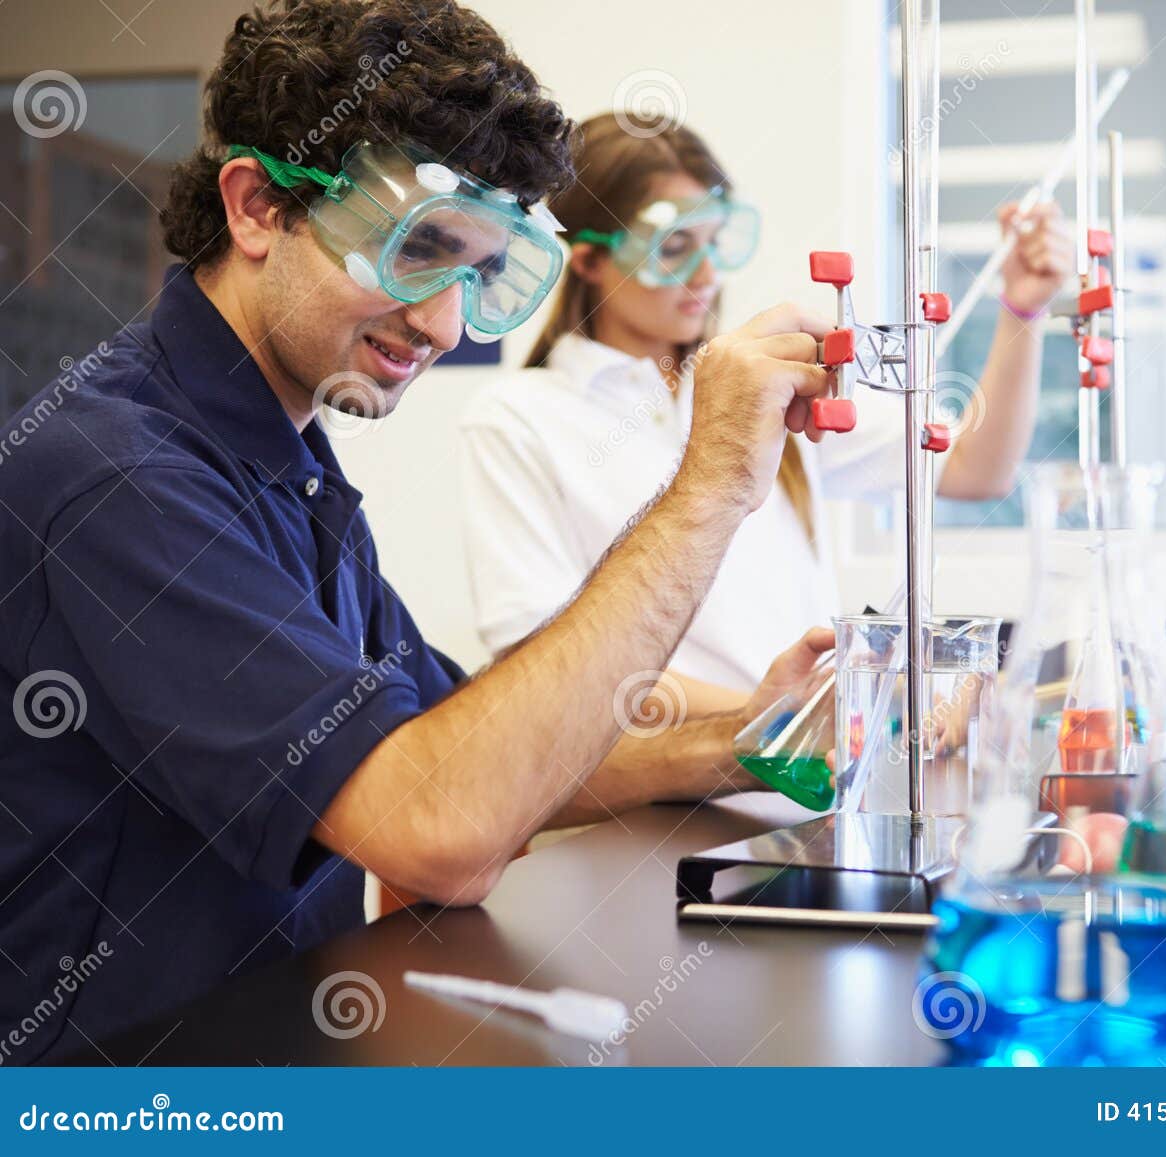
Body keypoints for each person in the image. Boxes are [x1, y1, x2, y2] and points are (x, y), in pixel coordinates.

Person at [0, 0, 836, 1064]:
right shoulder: (117, 477)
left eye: (481, 276)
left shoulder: (286, 465)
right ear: (258, 206)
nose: (443, 324)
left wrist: (747, 736)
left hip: (289, 1040)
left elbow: (478, 745)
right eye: (417, 250)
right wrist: (712, 484)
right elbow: (441, 825)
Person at [460, 116, 1072, 709]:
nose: (705, 275)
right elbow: (534, 664)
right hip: (672, 799)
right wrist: (773, 719)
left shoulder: (760, 387)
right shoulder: (520, 420)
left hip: (808, 782)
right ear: (589, 259)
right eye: (672, 248)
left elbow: (973, 467)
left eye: (713, 243)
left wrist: (1022, 312)